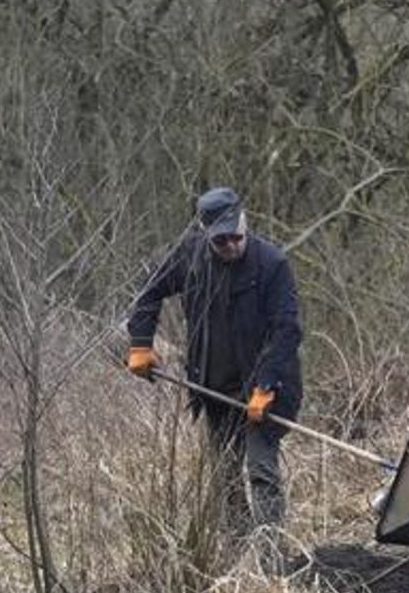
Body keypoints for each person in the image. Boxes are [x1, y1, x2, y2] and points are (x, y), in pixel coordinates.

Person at [125, 187, 303, 547]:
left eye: (236, 237)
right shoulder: (189, 257)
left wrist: (266, 385)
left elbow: (287, 329)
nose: (230, 246)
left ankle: (271, 552)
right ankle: (238, 547)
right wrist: (141, 344)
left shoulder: (272, 264)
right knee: (225, 474)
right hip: (213, 386)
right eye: (221, 241)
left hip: (264, 390)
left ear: (244, 220)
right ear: (206, 234)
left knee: (261, 471)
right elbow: (147, 291)